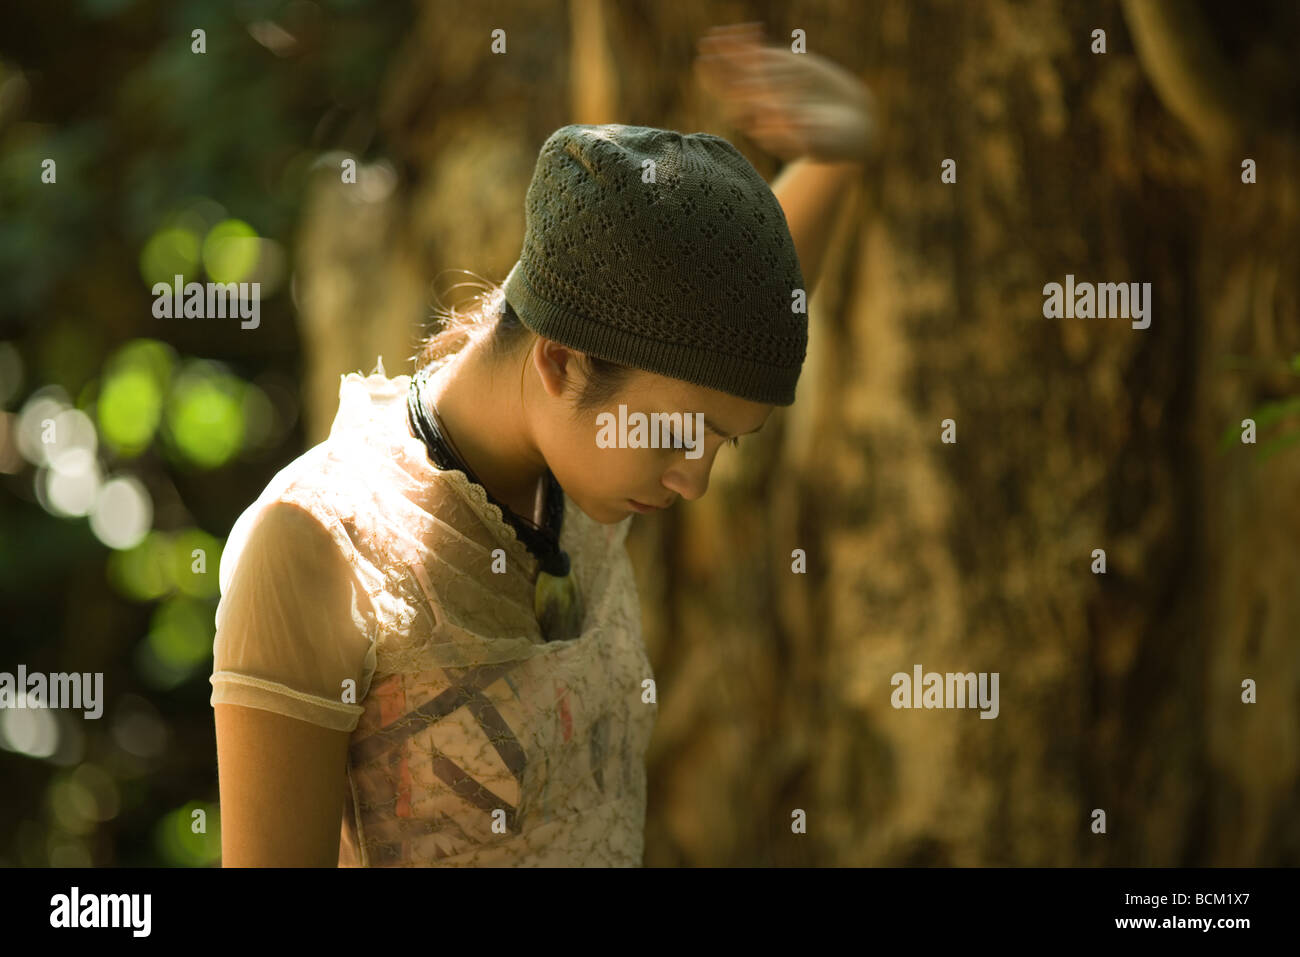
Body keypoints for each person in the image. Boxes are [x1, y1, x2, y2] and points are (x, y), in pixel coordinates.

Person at [210, 23, 876, 866]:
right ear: (561, 360)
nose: (697, 479)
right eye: (682, 433)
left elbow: (729, 314)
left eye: (728, 443)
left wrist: (841, 150)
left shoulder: (586, 463)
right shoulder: (318, 547)